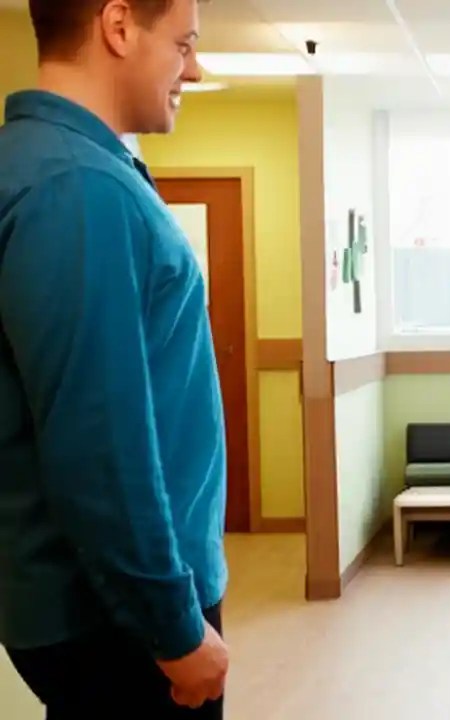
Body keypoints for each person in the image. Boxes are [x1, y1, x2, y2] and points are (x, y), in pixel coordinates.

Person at [0, 1, 229, 717]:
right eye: (184, 44)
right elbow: (97, 446)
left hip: (97, 609)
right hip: (122, 623)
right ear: (119, 25)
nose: (193, 68)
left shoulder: (47, 163)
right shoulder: (78, 189)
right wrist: (175, 628)